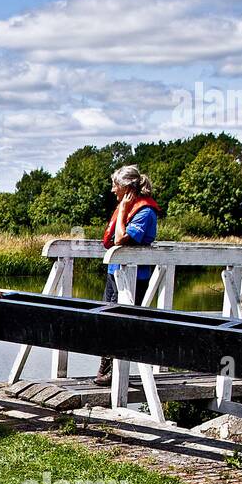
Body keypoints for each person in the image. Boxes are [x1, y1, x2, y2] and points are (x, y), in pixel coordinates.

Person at [93, 164, 160, 386]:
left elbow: (121, 241)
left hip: (134, 278)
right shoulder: (131, 207)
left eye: (116, 185)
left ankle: (117, 374)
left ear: (128, 188)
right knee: (107, 320)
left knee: (123, 323)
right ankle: (106, 368)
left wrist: (122, 211)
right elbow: (109, 242)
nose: (113, 190)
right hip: (116, 274)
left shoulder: (145, 212)